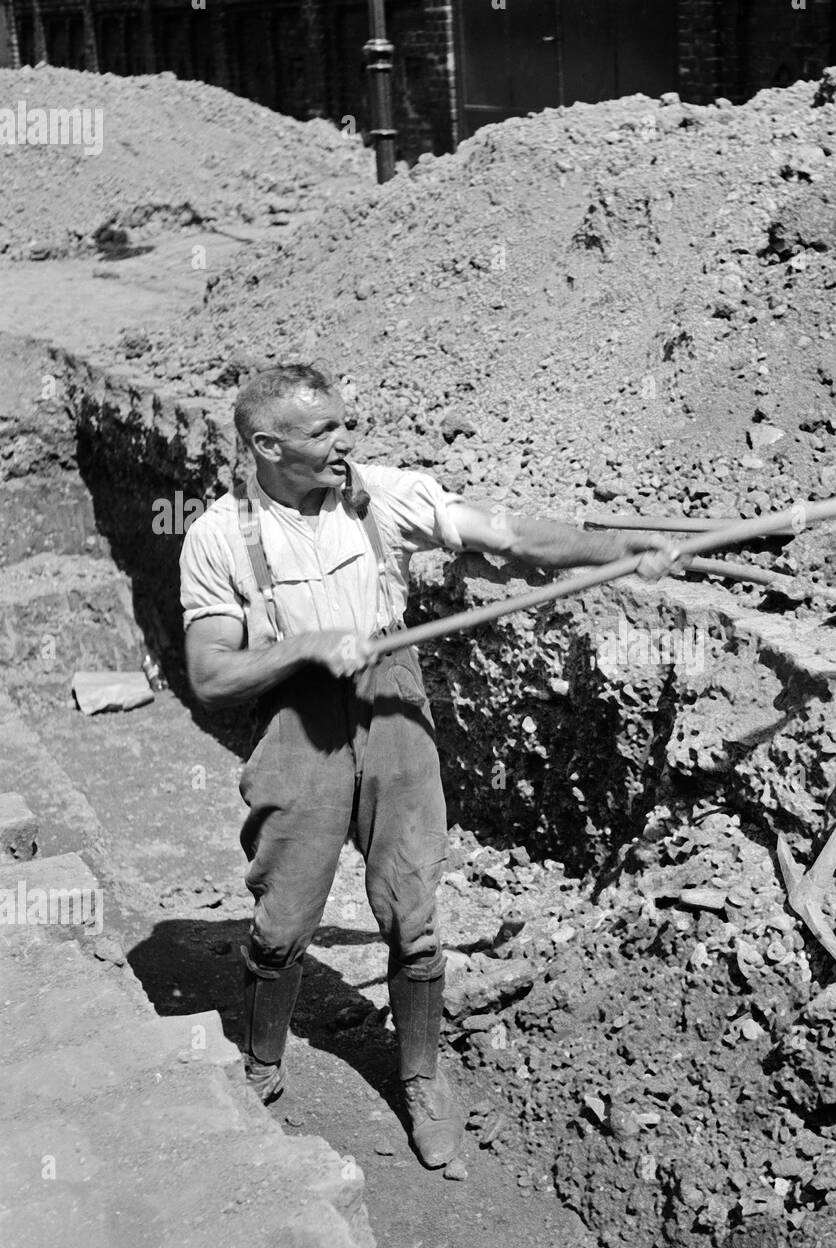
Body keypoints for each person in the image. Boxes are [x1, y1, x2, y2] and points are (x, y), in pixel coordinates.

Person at [179, 364, 677, 1168]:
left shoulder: (383, 495)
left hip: (391, 701)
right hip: (295, 716)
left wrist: (621, 549)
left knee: (412, 905)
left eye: (346, 423)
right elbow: (210, 676)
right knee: (283, 917)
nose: (346, 441)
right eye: (323, 432)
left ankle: (420, 1079)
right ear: (266, 447)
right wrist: (305, 646)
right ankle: (262, 1061)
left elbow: (509, 535)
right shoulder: (218, 537)